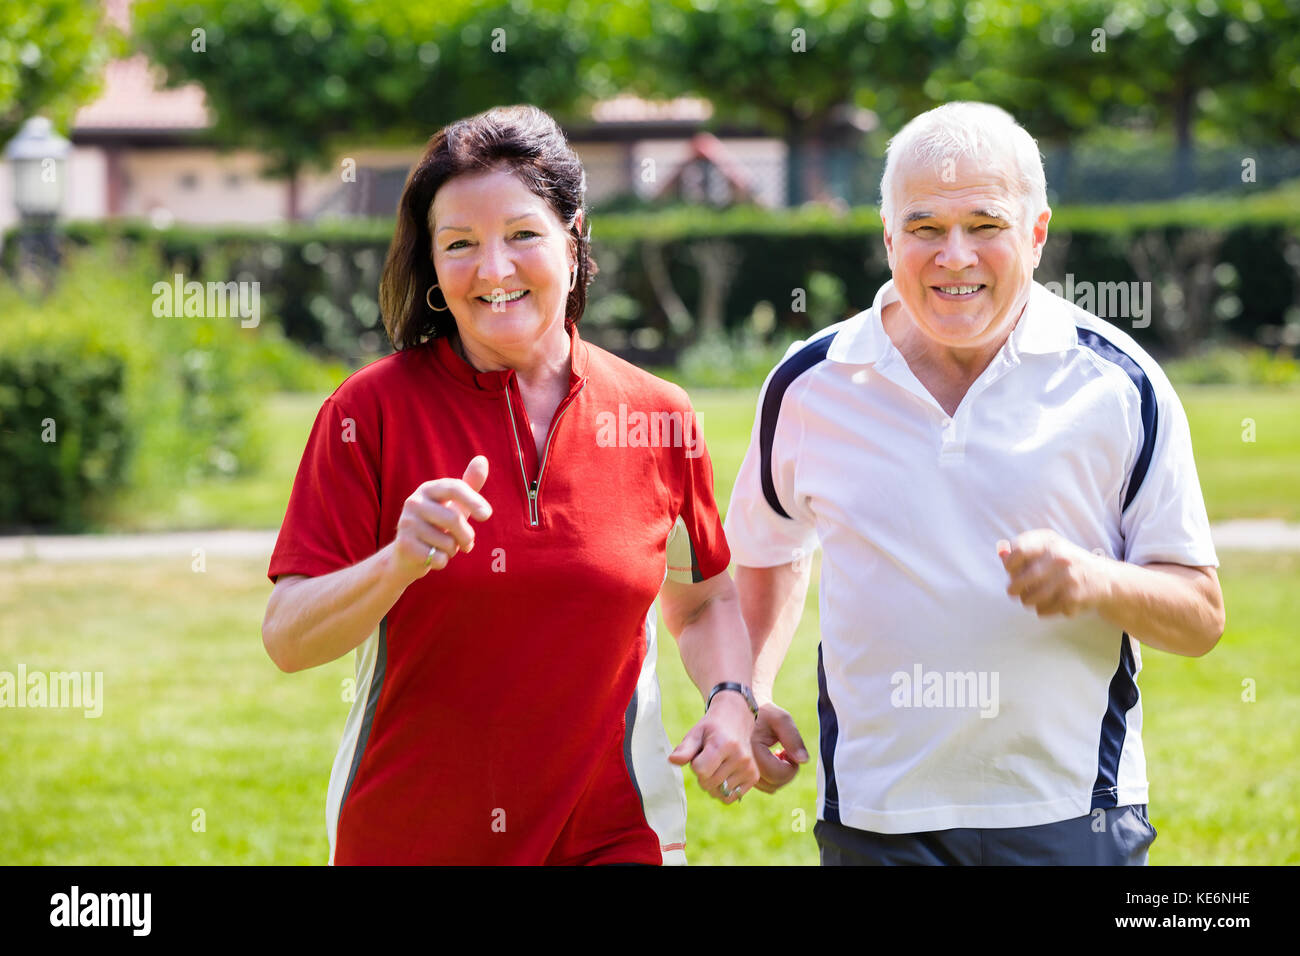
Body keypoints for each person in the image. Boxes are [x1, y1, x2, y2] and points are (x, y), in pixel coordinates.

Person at [729, 102, 1225, 865]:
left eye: (985, 224)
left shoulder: (1120, 384)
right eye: (925, 227)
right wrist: (752, 688)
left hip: (1072, 811)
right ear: (888, 235)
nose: (953, 256)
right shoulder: (810, 383)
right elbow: (765, 548)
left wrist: (1097, 581)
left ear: (1036, 232)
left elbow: (1199, 617)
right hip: (877, 816)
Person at [261, 105, 759, 865]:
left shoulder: (658, 415)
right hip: (410, 839)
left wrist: (731, 699)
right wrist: (398, 560)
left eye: (522, 234)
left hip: (615, 838)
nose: (493, 271)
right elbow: (289, 638)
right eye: (460, 244)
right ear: (432, 264)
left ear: (573, 236)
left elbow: (705, 599)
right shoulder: (368, 413)